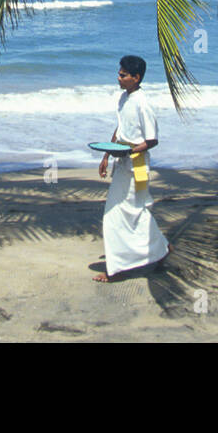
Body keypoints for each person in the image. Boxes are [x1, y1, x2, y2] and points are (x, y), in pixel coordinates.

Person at [94, 55, 169, 281]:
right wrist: (107, 155)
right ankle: (161, 249)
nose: (118, 78)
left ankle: (116, 269)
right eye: (119, 73)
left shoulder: (143, 103)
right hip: (121, 164)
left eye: (123, 75)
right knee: (128, 213)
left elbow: (152, 140)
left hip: (136, 166)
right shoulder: (123, 99)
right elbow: (119, 129)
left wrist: (130, 151)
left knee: (125, 214)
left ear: (136, 78)